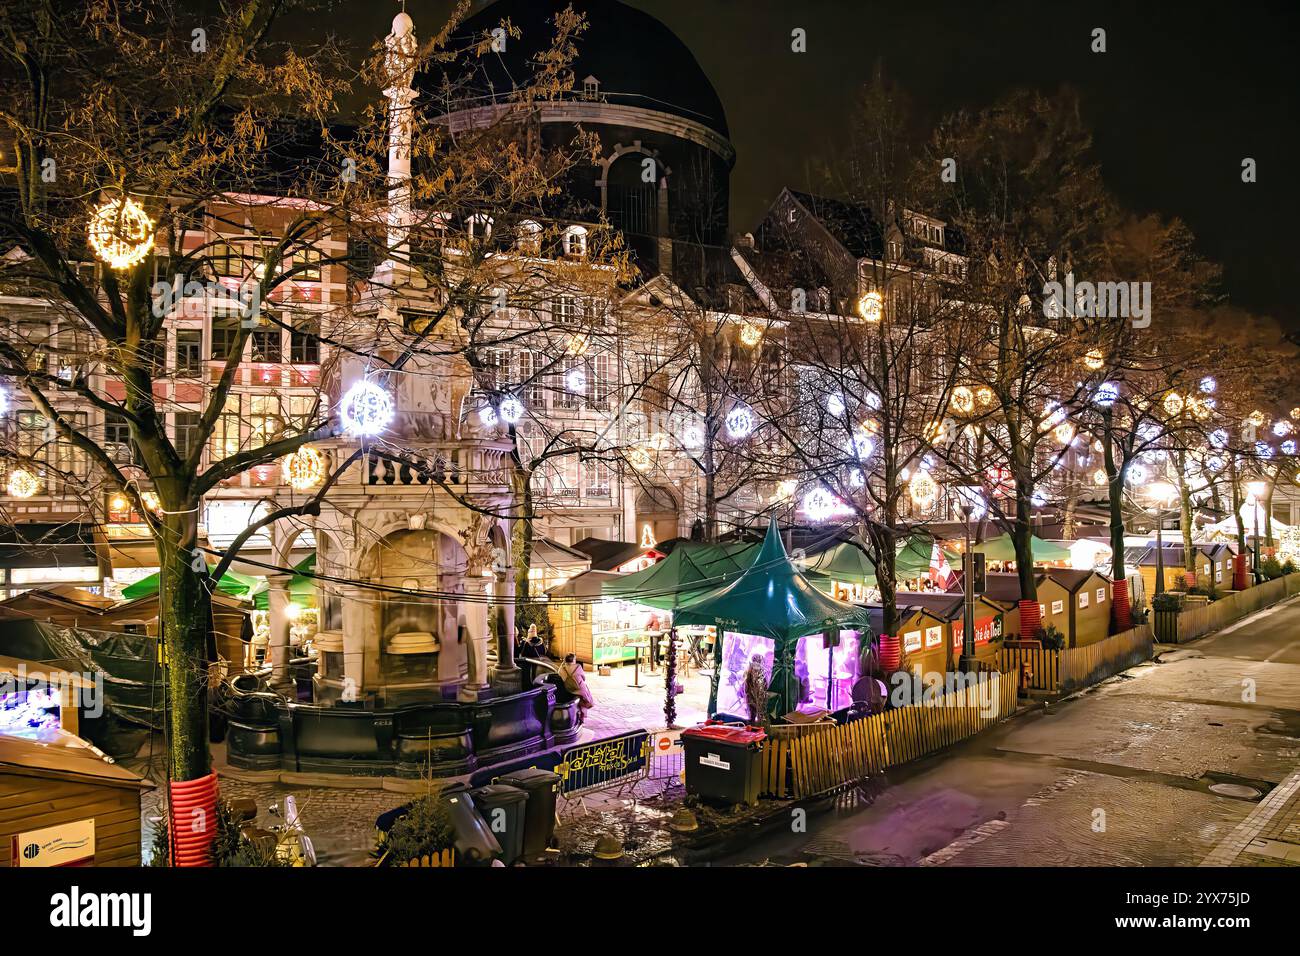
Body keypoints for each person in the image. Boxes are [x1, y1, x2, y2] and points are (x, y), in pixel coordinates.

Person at [558, 652, 596, 722]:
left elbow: (559, 674)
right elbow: (583, 678)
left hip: (570, 689)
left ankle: (578, 717)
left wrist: (563, 664)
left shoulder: (562, 669)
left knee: (579, 699)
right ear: (573, 660)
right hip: (579, 688)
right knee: (584, 698)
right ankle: (582, 717)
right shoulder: (578, 667)